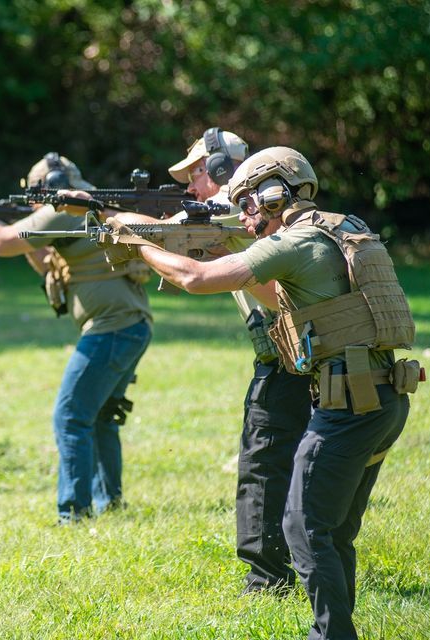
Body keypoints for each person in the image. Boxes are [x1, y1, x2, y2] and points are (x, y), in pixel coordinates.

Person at [83, 147, 417, 639]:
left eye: (249, 203)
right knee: (334, 531)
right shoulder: (340, 226)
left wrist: (138, 245)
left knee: (304, 530)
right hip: (385, 395)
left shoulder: (293, 241)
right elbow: (290, 301)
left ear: (275, 192)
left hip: (347, 402)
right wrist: (230, 255)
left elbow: (193, 279)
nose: (244, 214)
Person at [0, 153, 153, 522]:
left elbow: (1, 243)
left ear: (50, 186)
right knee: (99, 417)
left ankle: (73, 513)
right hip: (130, 326)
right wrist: (12, 229)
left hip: (112, 328)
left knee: (70, 417)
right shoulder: (89, 201)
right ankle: (106, 502)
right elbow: (47, 259)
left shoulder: (67, 206)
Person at [168, 129, 313, 594]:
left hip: (292, 361)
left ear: (219, 171)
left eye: (195, 174)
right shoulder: (256, 220)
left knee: (265, 464)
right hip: (305, 357)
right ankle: (297, 565)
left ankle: (268, 580)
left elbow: (281, 298)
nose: (191, 187)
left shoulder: (251, 221)